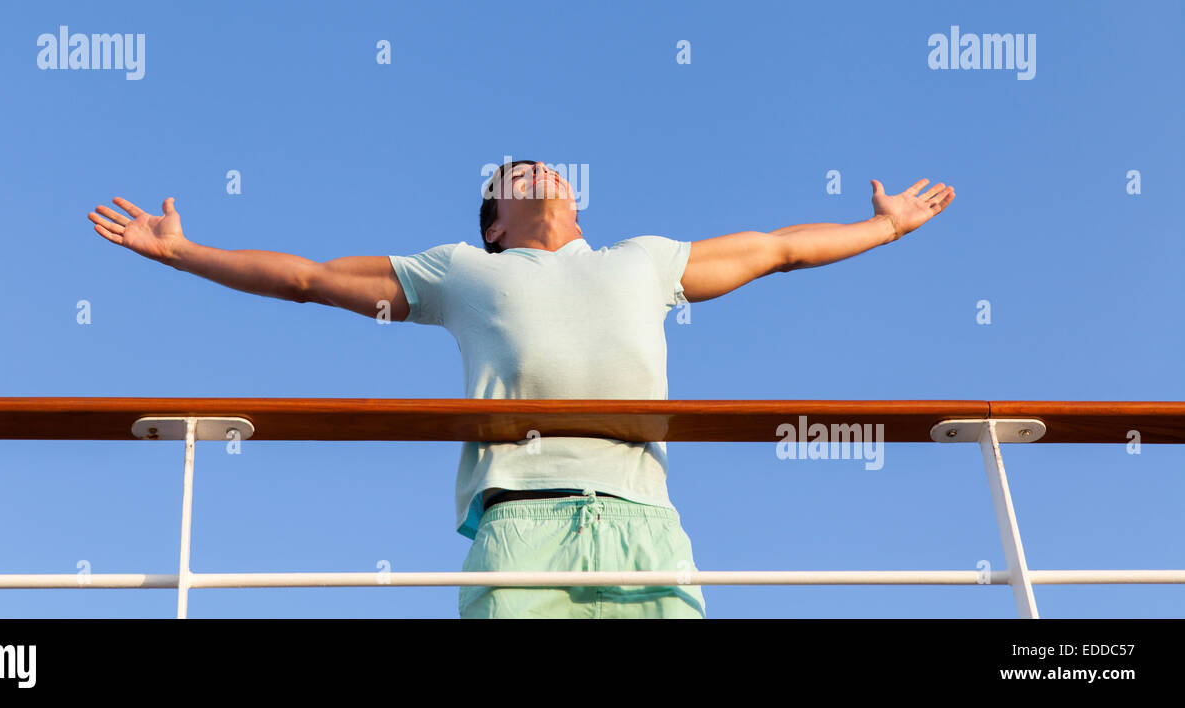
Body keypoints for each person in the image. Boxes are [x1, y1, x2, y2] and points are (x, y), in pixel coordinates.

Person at [87, 160, 954, 618]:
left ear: (576, 201)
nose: (536, 173)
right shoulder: (462, 271)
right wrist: (180, 252)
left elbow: (778, 248)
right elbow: (311, 279)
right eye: (512, 176)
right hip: (518, 522)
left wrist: (883, 226)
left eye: (550, 170)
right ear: (495, 224)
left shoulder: (643, 260)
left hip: (642, 522)